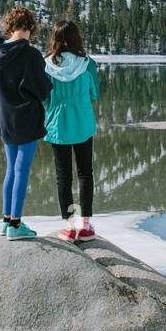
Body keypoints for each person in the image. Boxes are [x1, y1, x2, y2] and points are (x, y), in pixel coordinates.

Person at [0, 6, 52, 240]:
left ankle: (6, 221)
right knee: (21, 170)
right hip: (27, 118)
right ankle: (16, 224)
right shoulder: (31, 54)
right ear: (30, 27)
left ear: (10, 26)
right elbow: (42, 90)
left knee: (10, 170)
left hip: (4, 117)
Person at [42, 20, 99, 241]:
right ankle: (85, 226)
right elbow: (94, 93)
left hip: (58, 124)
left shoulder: (46, 65)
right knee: (85, 173)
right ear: (77, 39)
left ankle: (68, 225)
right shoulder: (87, 63)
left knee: (62, 176)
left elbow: (44, 98)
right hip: (83, 122)